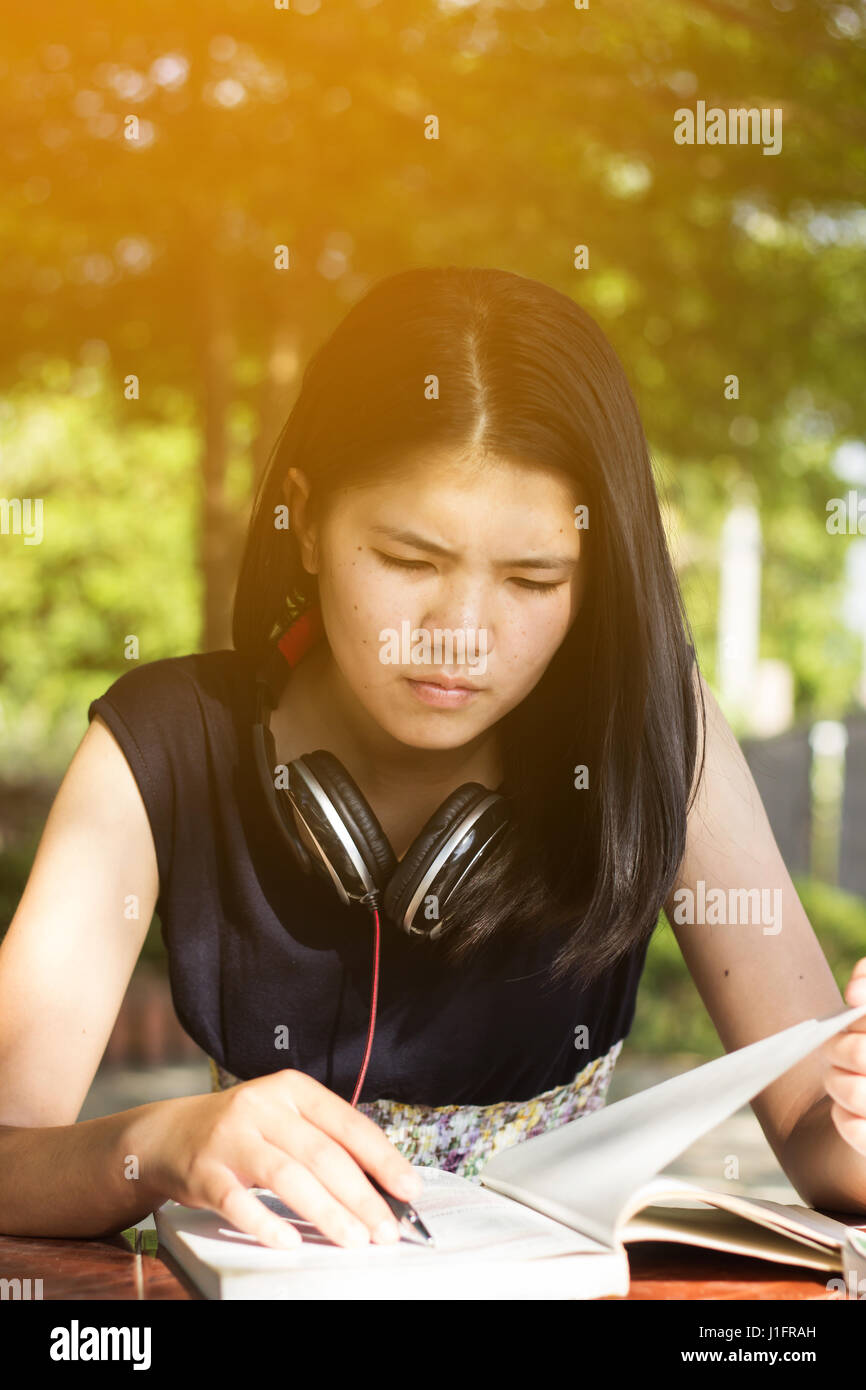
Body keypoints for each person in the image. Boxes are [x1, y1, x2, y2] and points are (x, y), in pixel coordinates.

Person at [1, 266, 864, 1257]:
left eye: (532, 578)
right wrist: (151, 1146)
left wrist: (855, 1117)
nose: (458, 635)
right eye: (409, 561)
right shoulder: (160, 748)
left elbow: (817, 1144)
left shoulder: (655, 734)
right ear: (308, 520)